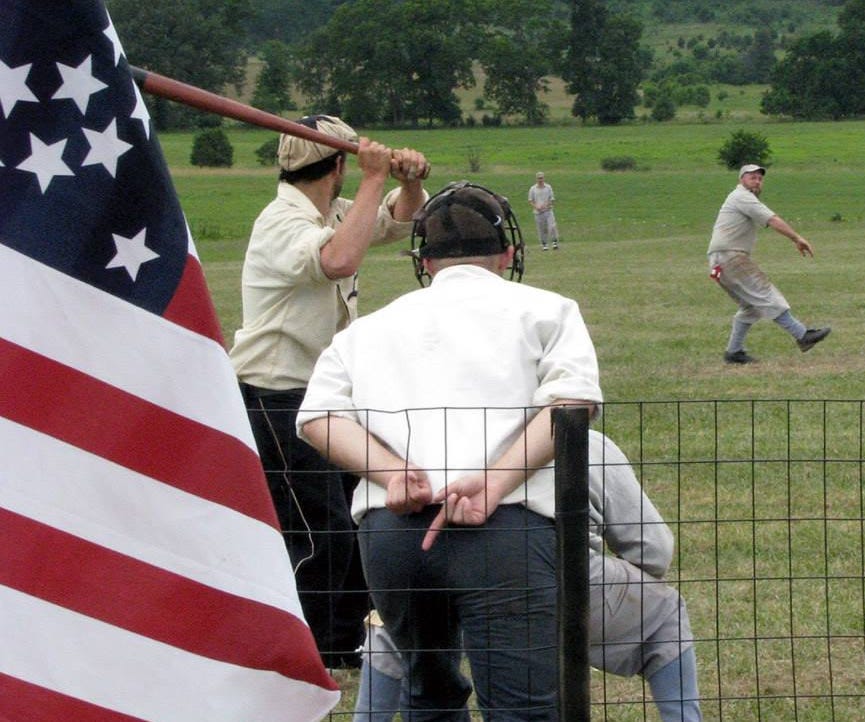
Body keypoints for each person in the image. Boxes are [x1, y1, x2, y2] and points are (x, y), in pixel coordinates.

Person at [297, 181, 603, 720]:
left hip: (393, 535)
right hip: (508, 531)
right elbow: (572, 405)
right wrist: (495, 483)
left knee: (427, 697)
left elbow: (317, 417)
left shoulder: (367, 330)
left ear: (424, 261)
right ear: (508, 253)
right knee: (523, 708)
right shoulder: (549, 310)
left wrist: (392, 473)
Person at [229, 114, 429, 668]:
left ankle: (345, 642)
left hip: (324, 395)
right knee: (319, 530)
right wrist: (375, 178)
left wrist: (409, 183)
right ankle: (312, 648)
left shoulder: (333, 210)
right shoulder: (280, 222)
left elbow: (395, 220)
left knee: (356, 516)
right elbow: (338, 259)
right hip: (276, 395)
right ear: (339, 165)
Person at [352, 430, 702, 722]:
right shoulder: (584, 440)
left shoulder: (409, 448)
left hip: (418, 570)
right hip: (545, 583)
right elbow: (653, 550)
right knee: (664, 611)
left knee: (395, 617)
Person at [707, 164, 830, 364]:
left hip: (719, 261)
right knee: (765, 293)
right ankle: (803, 335)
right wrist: (797, 238)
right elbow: (772, 220)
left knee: (750, 307)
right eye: (752, 177)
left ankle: (734, 352)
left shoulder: (739, 197)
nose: (757, 181)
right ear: (741, 180)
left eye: (760, 178)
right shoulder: (742, 196)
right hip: (730, 256)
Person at [528, 171, 560, 250]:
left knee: (552, 226)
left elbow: (552, 198)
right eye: (539, 178)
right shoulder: (533, 189)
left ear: (544, 178)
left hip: (548, 211)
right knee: (542, 228)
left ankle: (554, 242)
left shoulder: (548, 187)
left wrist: (546, 205)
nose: (540, 180)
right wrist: (536, 206)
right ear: (536, 179)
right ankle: (544, 244)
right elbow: (530, 200)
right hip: (538, 212)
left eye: (541, 178)